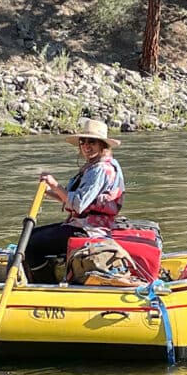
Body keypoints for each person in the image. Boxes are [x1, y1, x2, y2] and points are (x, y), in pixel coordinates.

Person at [24, 117, 126, 282]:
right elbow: (75, 199)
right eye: (83, 142)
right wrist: (49, 192)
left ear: (102, 145)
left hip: (90, 230)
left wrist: (56, 185)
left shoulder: (99, 169)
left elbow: (78, 204)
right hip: (81, 224)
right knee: (31, 234)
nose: (86, 146)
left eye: (92, 142)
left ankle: (45, 284)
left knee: (31, 243)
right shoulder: (95, 166)